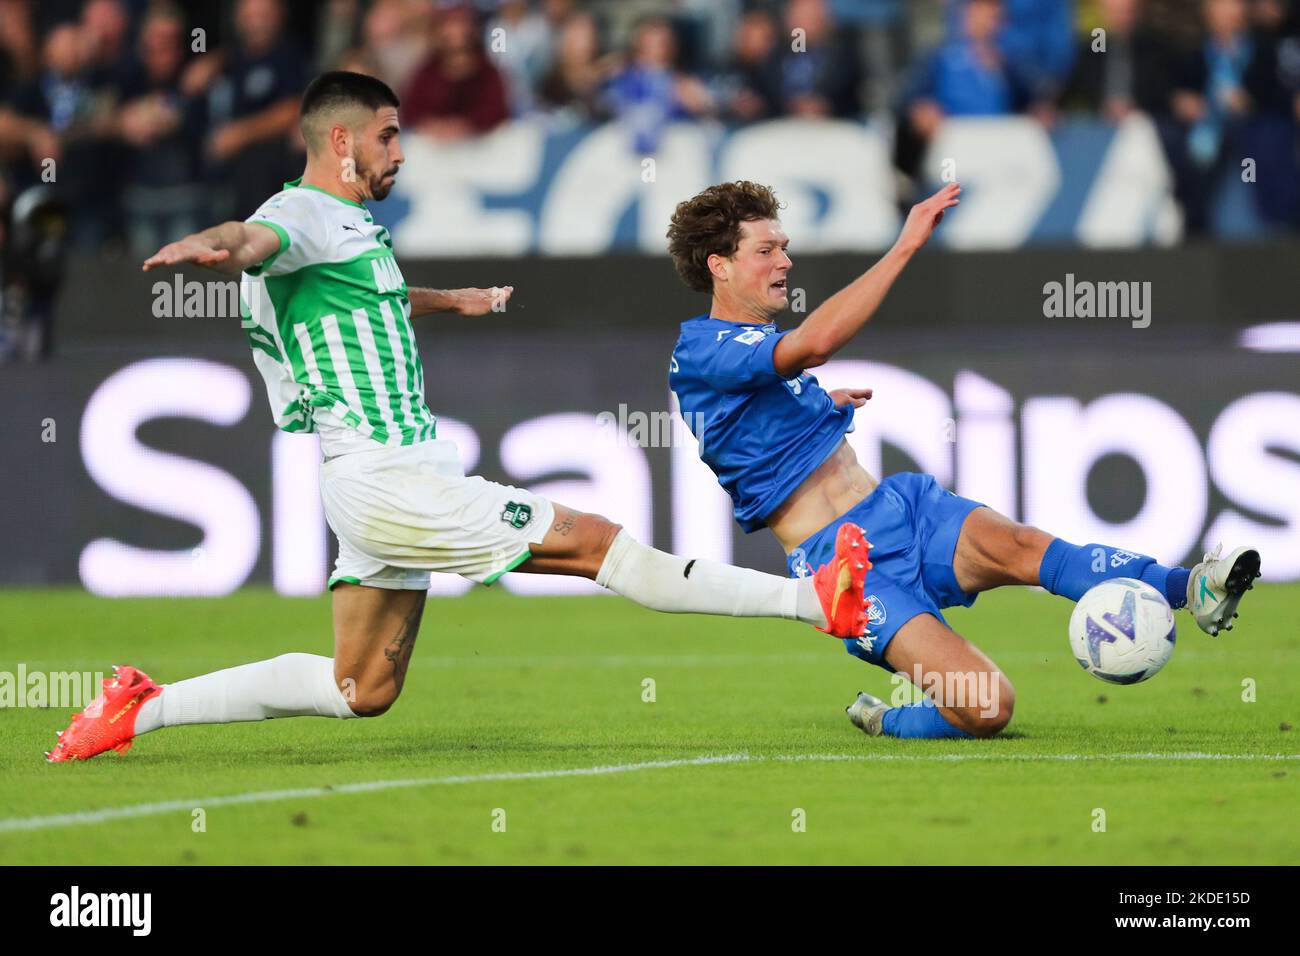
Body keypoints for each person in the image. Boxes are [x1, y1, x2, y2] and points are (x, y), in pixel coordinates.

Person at [46, 72, 872, 763]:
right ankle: (815, 602)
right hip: (388, 477)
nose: (400, 153)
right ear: (341, 142)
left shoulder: (348, 230)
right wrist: (215, 242)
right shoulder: (299, 213)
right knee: (595, 543)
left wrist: (454, 299)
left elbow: (379, 298)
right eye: (388, 137)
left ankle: (140, 706)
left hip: (378, 479)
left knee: (360, 688)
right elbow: (255, 238)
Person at [664, 179, 1261, 739]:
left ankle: (1192, 589)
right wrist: (904, 246)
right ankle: (887, 719)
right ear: (720, 265)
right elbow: (812, 347)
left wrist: (821, 405)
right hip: (844, 571)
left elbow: (757, 413)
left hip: (901, 511)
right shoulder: (700, 348)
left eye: (784, 248)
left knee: (1026, 546)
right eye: (766, 249)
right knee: (988, 708)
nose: (784, 262)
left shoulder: (756, 356)